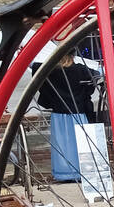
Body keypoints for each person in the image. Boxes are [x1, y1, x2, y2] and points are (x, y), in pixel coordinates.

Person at [34, 51, 99, 183]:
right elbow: (96, 76)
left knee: (62, 144)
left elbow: (35, 67)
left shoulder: (52, 71)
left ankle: (64, 173)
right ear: (73, 56)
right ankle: (83, 171)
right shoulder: (80, 70)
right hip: (78, 112)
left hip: (59, 114)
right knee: (80, 143)